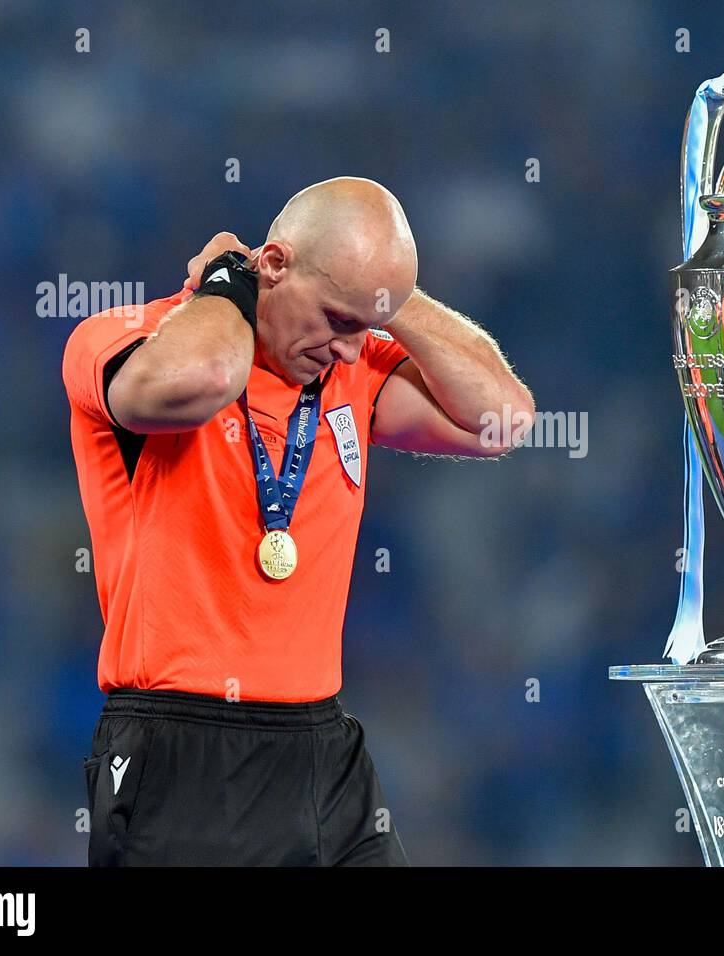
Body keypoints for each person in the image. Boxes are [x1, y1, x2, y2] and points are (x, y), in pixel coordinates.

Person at [62, 177, 534, 865]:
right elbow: (199, 380)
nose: (347, 348)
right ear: (273, 265)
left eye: (363, 324)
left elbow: (505, 419)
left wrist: (384, 299)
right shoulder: (122, 339)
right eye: (336, 318)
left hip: (325, 750)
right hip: (184, 749)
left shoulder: (352, 372)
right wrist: (227, 283)